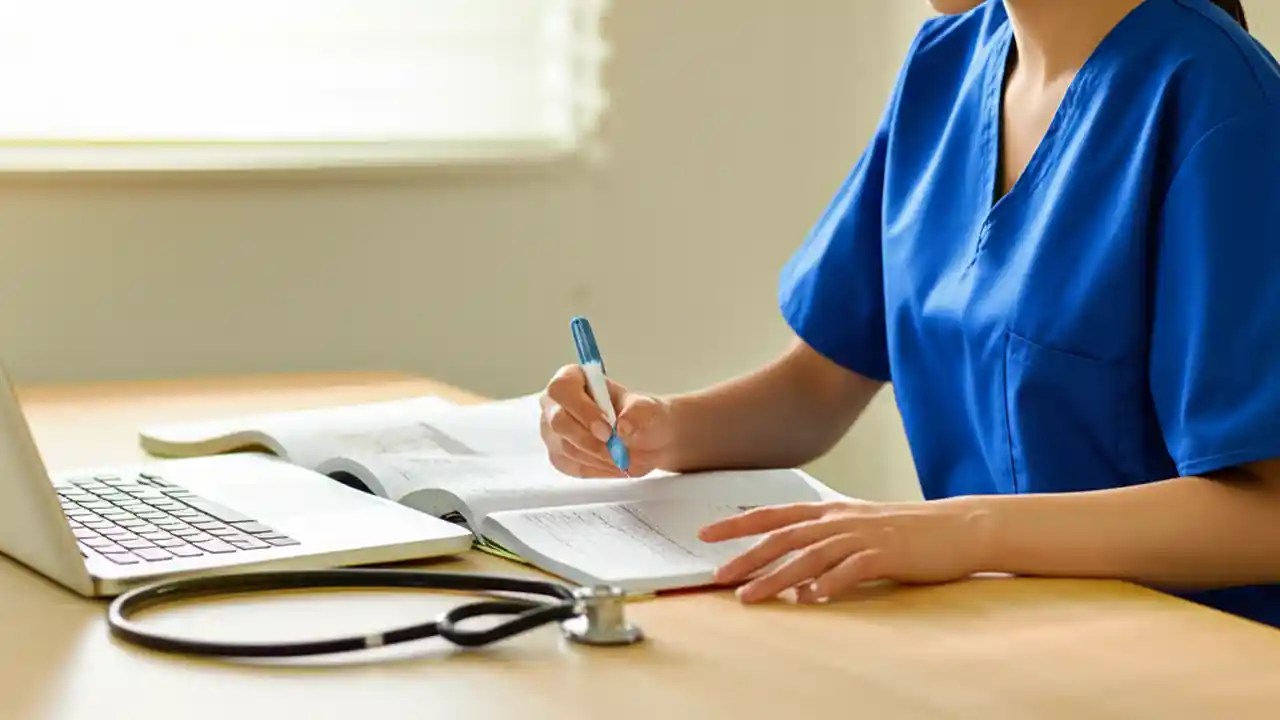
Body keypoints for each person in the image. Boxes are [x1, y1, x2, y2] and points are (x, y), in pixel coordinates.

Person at [539, 0, 1280, 627]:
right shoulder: (946, 65)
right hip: (988, 632)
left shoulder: (1221, 103)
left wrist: (965, 531)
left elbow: (1266, 516)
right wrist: (662, 426)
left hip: (1189, 657)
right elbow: (817, 390)